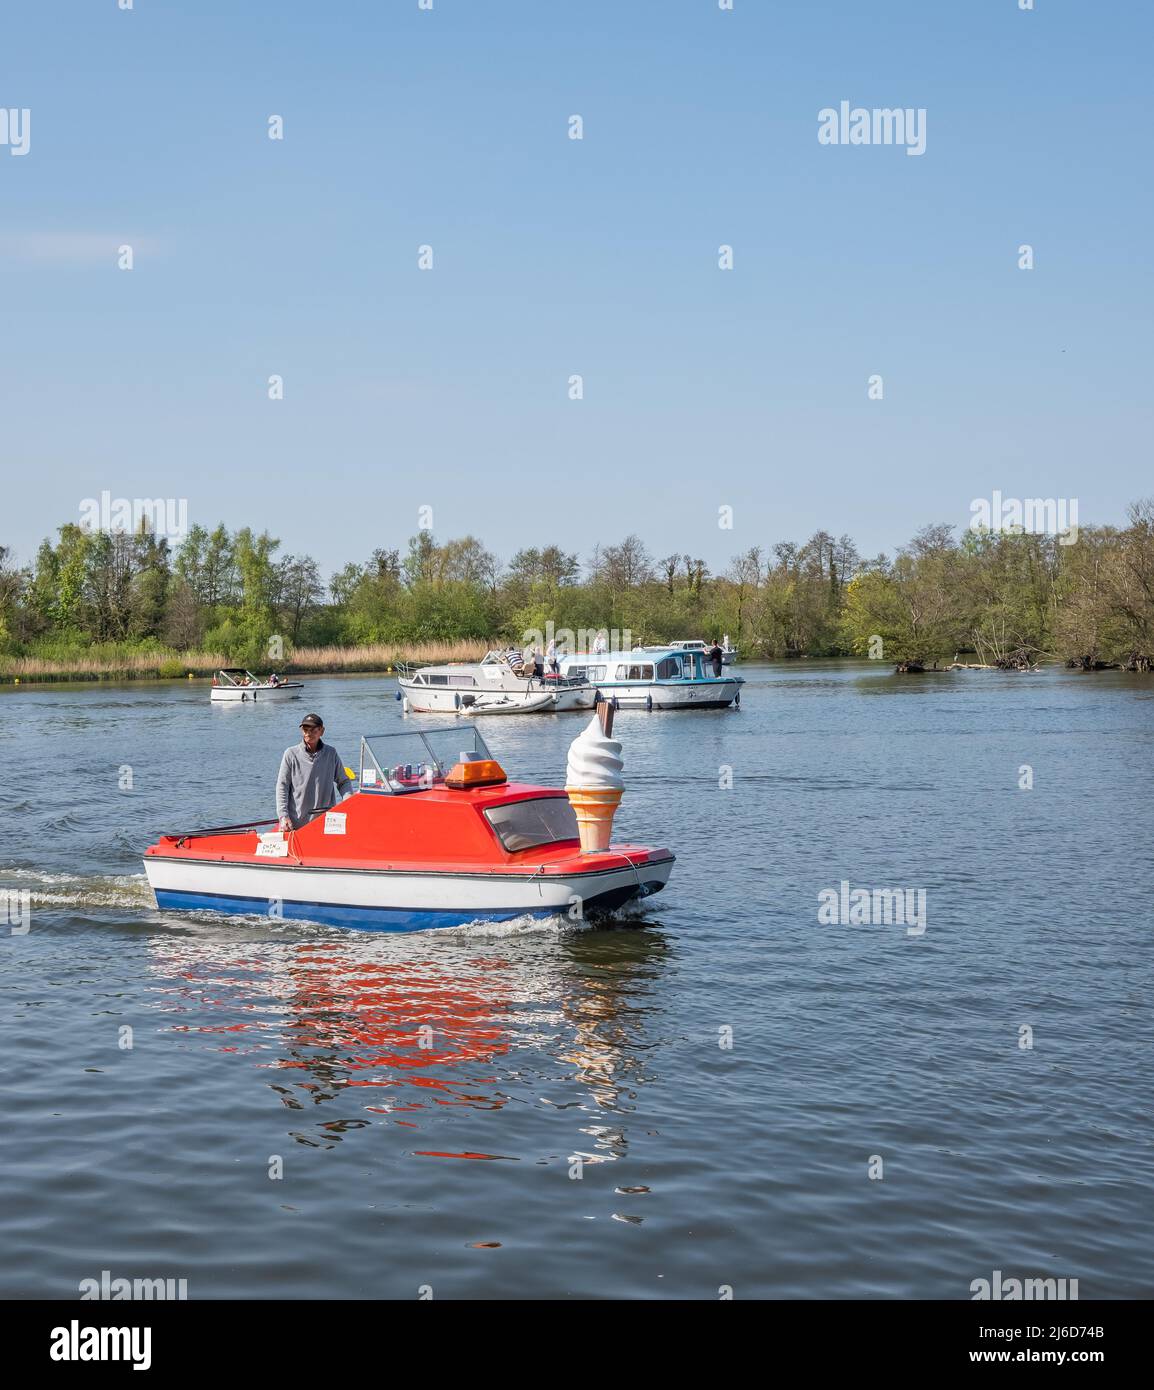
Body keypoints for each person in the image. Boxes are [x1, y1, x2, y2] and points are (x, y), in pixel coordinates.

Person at [276, 713, 355, 832]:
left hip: (327, 824)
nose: (308, 733)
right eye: (305, 729)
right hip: (297, 825)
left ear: (322, 731)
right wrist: (283, 816)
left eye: (313, 730)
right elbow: (282, 786)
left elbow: (343, 781)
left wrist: (348, 802)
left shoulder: (331, 753)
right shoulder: (290, 754)